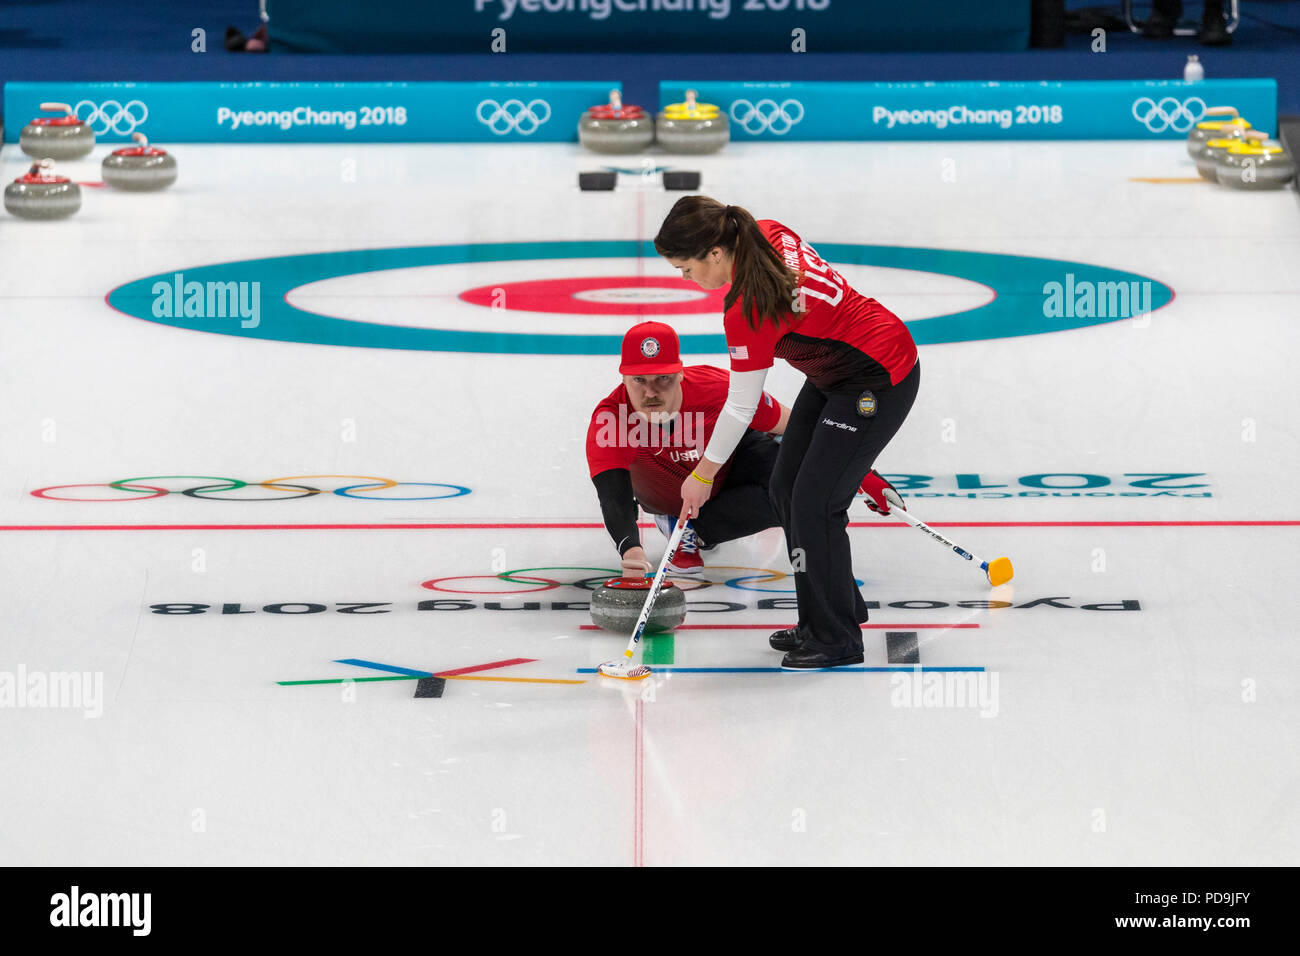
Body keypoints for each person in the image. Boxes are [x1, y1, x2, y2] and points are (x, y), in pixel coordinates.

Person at [654, 197, 917, 669]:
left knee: (816, 504)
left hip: (878, 375)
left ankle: (837, 639)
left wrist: (703, 474)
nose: (686, 280)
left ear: (716, 253)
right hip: (836, 375)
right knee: (784, 487)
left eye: (686, 269)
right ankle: (826, 612)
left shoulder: (747, 309)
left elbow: (742, 404)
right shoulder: (766, 231)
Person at [586, 321, 789, 577]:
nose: (651, 392)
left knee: (795, 484)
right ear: (624, 378)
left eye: (663, 378)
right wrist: (631, 549)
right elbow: (613, 494)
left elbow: (789, 425)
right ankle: (675, 521)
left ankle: (697, 529)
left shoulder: (718, 389)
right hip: (667, 496)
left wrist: (840, 465)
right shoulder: (611, 419)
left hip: (723, 472)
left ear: (680, 373)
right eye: (639, 379)